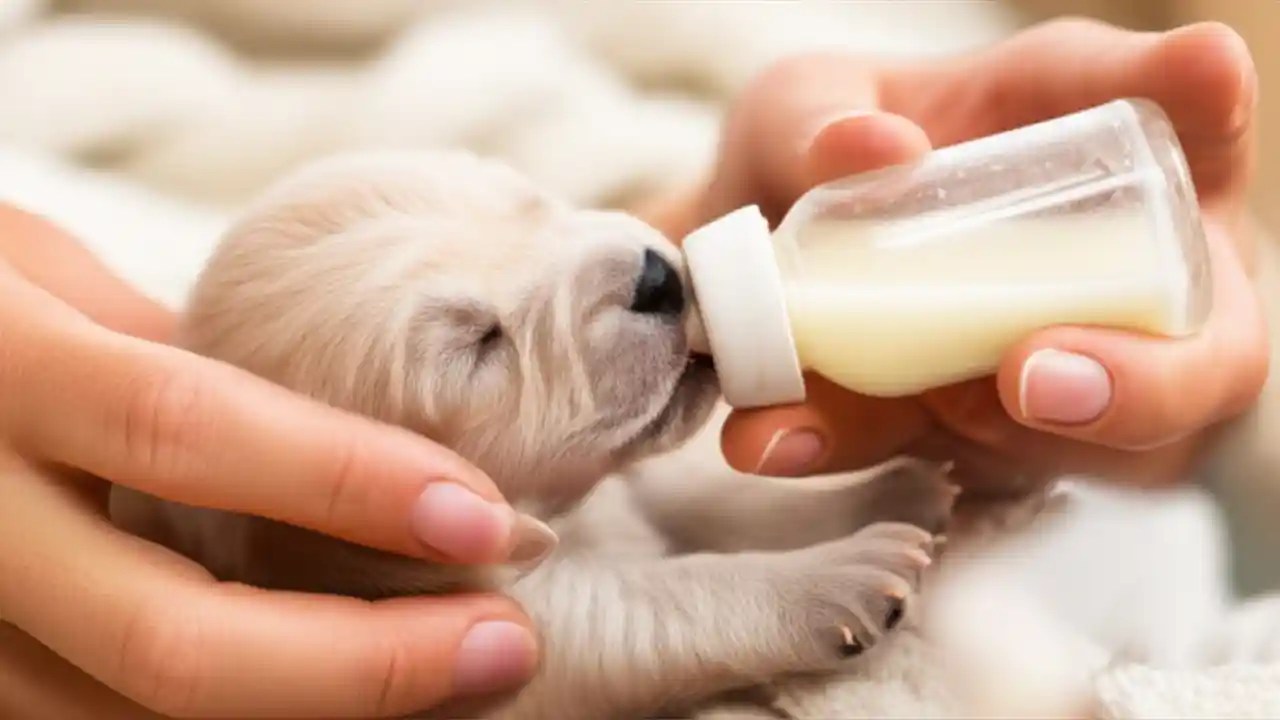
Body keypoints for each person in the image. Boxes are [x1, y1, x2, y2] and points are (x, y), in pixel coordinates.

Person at [0, 16, 1267, 719]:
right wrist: (792, 587)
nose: (630, 258)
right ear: (307, 522)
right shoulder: (351, 574)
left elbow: (667, 508)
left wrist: (678, 190)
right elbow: (582, 626)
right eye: (480, 346)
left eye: (534, 207)